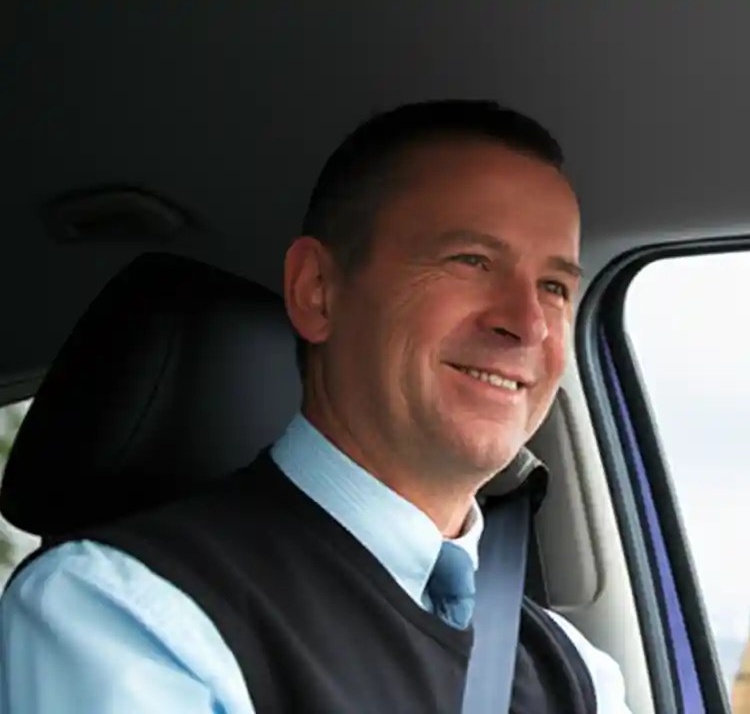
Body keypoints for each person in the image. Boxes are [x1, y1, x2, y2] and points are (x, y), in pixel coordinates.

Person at [0, 101, 631, 713]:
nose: (527, 324)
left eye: (553, 287)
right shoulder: (120, 613)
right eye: (471, 261)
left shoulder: (577, 670)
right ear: (318, 292)